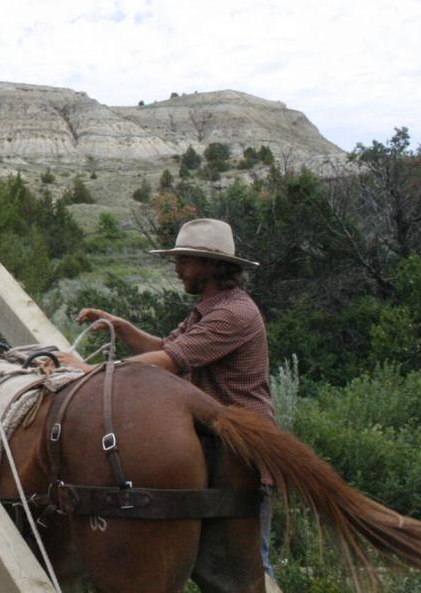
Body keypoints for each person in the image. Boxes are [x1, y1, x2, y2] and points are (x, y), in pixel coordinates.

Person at [76, 218, 277, 578]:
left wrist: (85, 375)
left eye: (186, 260)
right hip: (216, 450)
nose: (178, 268)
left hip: (241, 453)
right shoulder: (210, 308)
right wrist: (120, 327)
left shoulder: (233, 314)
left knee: (247, 571)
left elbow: (168, 362)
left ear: (214, 266)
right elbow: (166, 348)